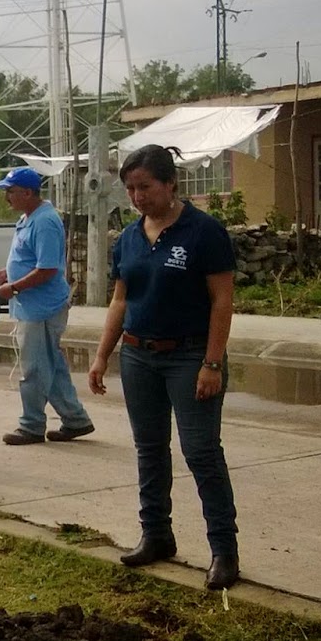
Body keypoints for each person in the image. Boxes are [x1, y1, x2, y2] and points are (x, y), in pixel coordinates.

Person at [89, 144, 239, 590]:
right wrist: (102, 354)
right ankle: (156, 535)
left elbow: (223, 301)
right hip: (138, 356)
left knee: (201, 452)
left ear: (171, 183)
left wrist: (212, 362)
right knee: (150, 449)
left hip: (190, 356)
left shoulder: (204, 232)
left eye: (146, 187)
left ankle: (224, 550)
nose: (138, 196)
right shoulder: (129, 238)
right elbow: (120, 300)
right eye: (130, 188)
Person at [0, 167, 95, 446]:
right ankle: (76, 419)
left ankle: (31, 425)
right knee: (52, 367)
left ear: (27, 192)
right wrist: (7, 273)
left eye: (10, 191)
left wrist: (14, 287)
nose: (6, 197)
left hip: (42, 308)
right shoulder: (28, 218)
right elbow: (30, 260)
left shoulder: (44, 221)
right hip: (33, 306)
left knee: (34, 368)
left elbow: (47, 268)